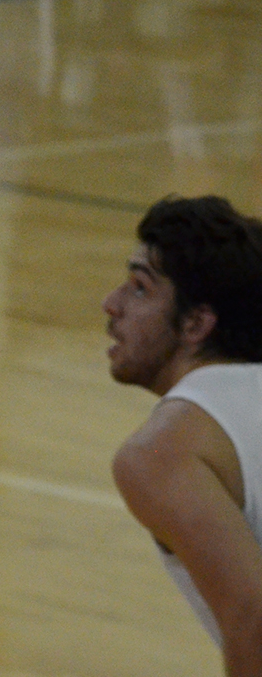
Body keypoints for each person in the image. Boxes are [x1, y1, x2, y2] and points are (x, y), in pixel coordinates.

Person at [106, 196, 262, 676]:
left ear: (196, 323)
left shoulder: (161, 452)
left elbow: (254, 619)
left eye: (138, 288)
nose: (111, 304)